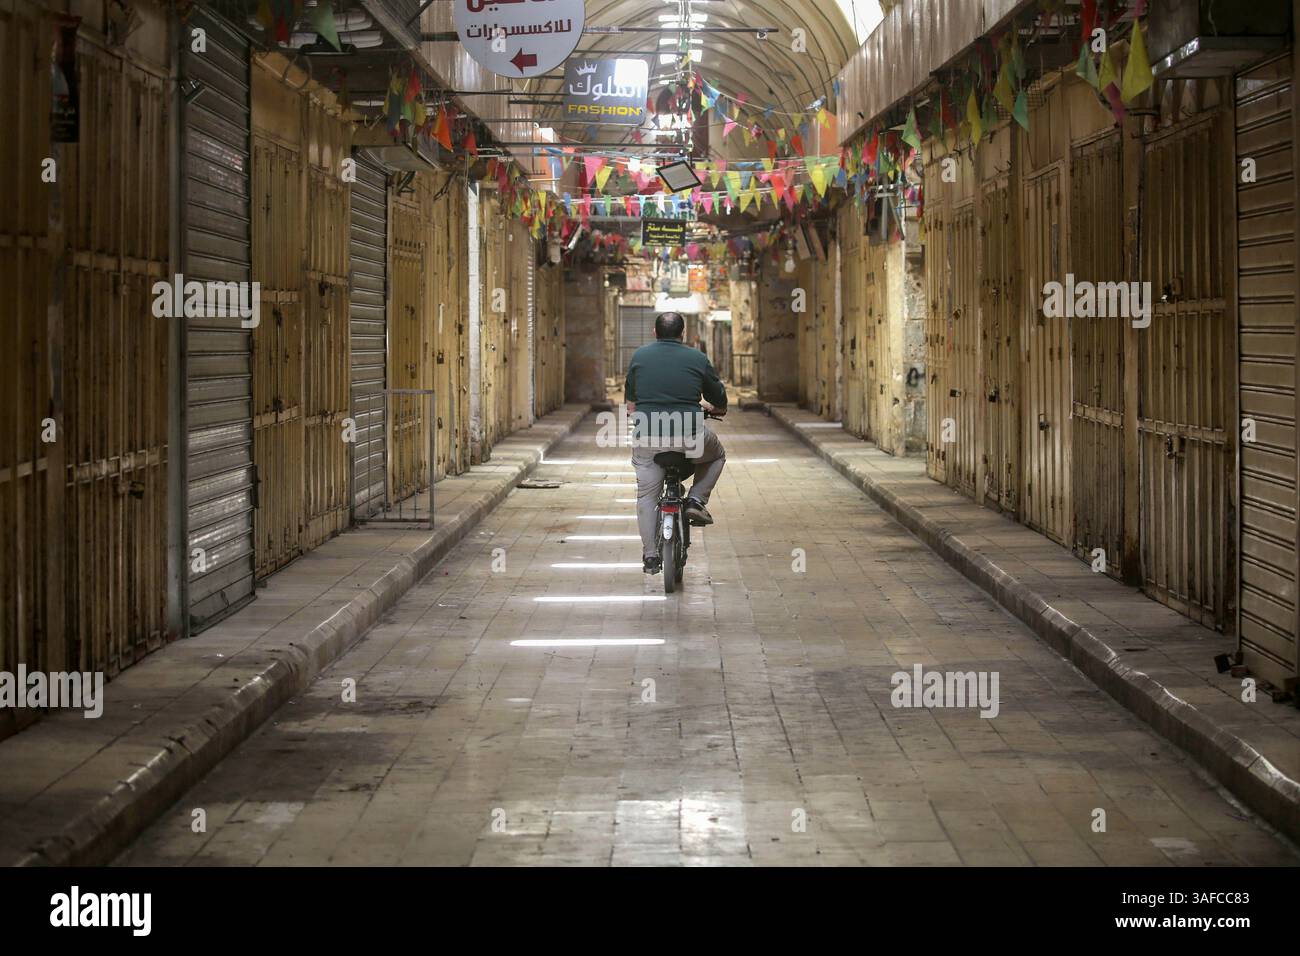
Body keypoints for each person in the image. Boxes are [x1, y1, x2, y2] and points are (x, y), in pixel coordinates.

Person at [624, 311, 728, 575]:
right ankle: (695, 500)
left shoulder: (639, 356)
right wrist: (712, 407)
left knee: (647, 496)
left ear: (655, 333)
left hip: (647, 435)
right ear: (683, 334)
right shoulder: (697, 358)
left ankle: (650, 557)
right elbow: (719, 400)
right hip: (689, 437)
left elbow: (631, 404)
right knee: (716, 455)